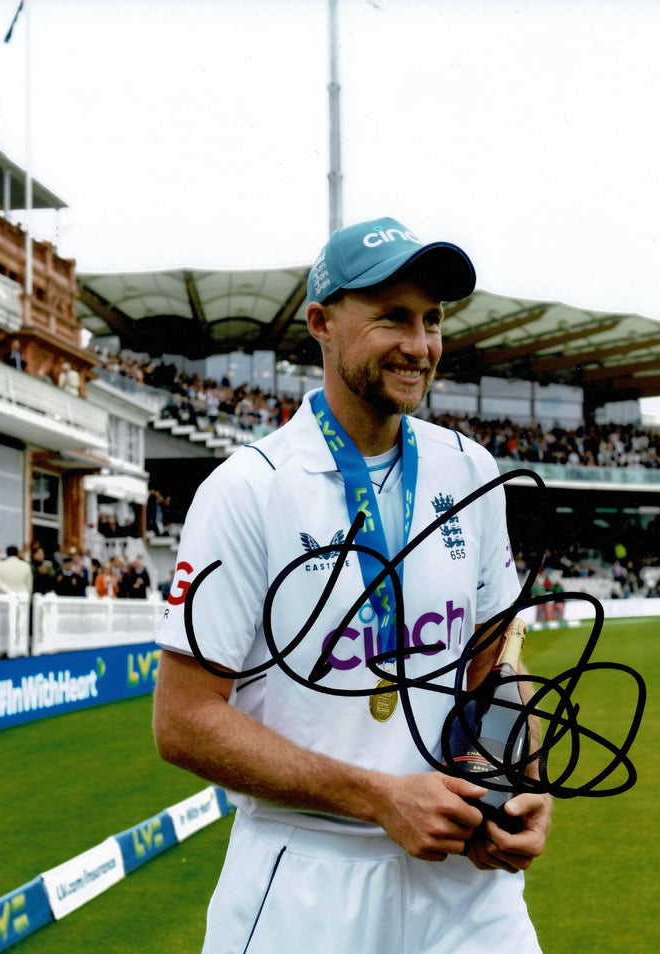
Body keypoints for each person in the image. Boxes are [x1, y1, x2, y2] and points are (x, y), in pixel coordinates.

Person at [152, 217, 547, 953]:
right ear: (322, 323)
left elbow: (498, 659)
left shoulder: (470, 469)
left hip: (464, 880)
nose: (420, 344)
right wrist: (379, 797)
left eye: (431, 320)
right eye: (392, 316)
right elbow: (182, 721)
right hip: (308, 876)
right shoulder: (249, 489)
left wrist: (508, 779)